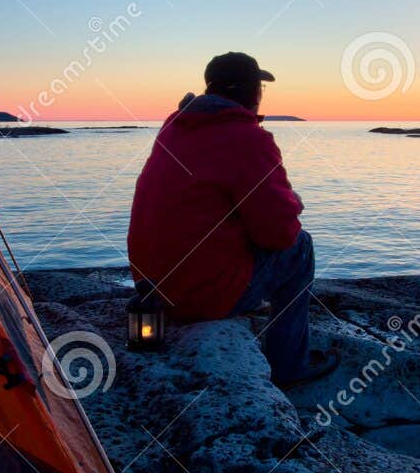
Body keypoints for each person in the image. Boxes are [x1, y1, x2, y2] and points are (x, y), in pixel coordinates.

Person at [128, 52, 340, 387]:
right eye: (260, 89)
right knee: (301, 248)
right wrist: (291, 204)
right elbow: (279, 235)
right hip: (195, 297)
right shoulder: (250, 140)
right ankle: (289, 366)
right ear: (254, 93)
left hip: (152, 287)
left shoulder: (174, 126)